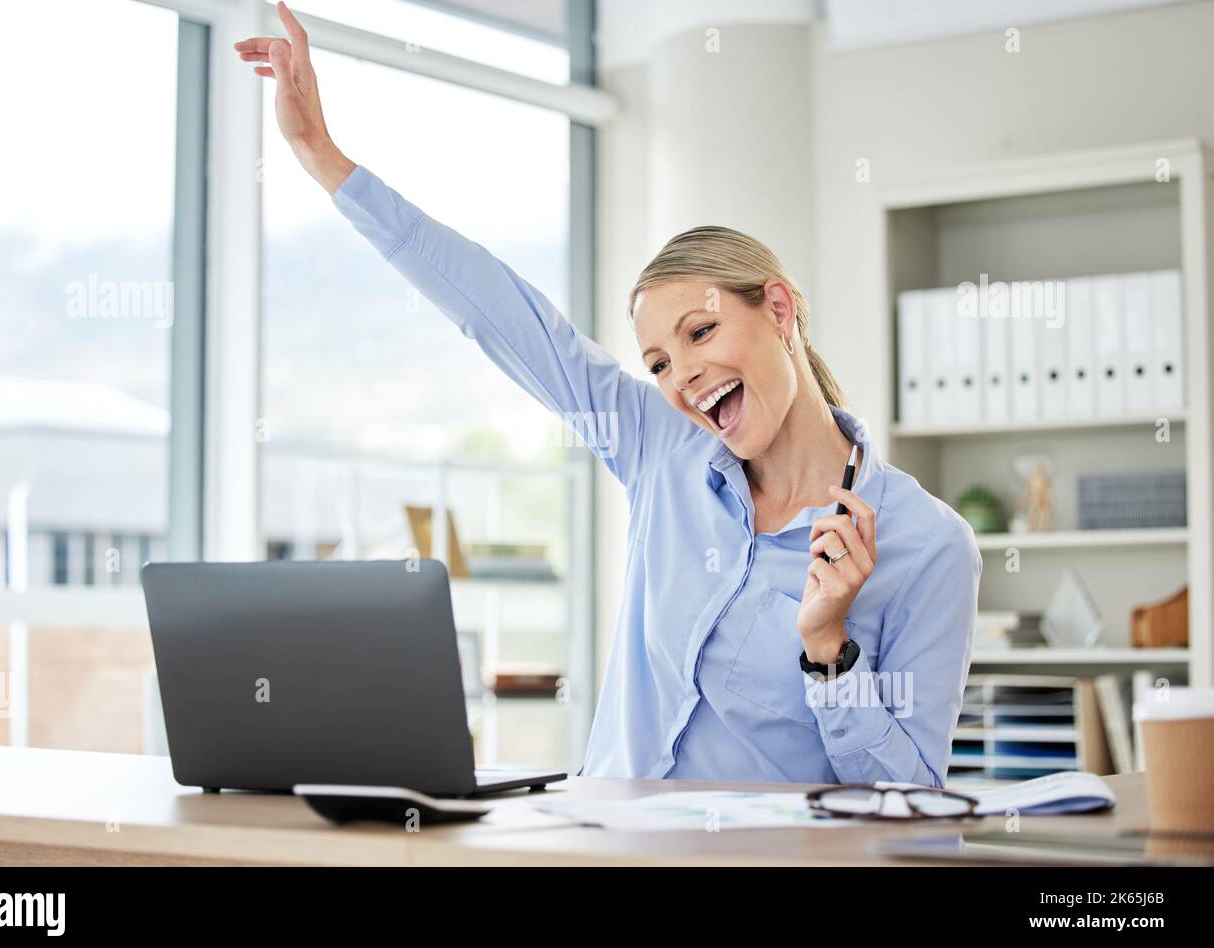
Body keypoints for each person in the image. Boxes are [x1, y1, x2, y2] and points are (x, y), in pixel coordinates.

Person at [235, 2, 982, 785]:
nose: (683, 377)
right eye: (658, 363)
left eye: (700, 333)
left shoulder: (928, 547)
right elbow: (504, 318)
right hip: (602, 841)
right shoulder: (663, 450)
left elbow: (910, 802)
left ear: (781, 310)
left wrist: (829, 649)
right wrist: (323, 158)